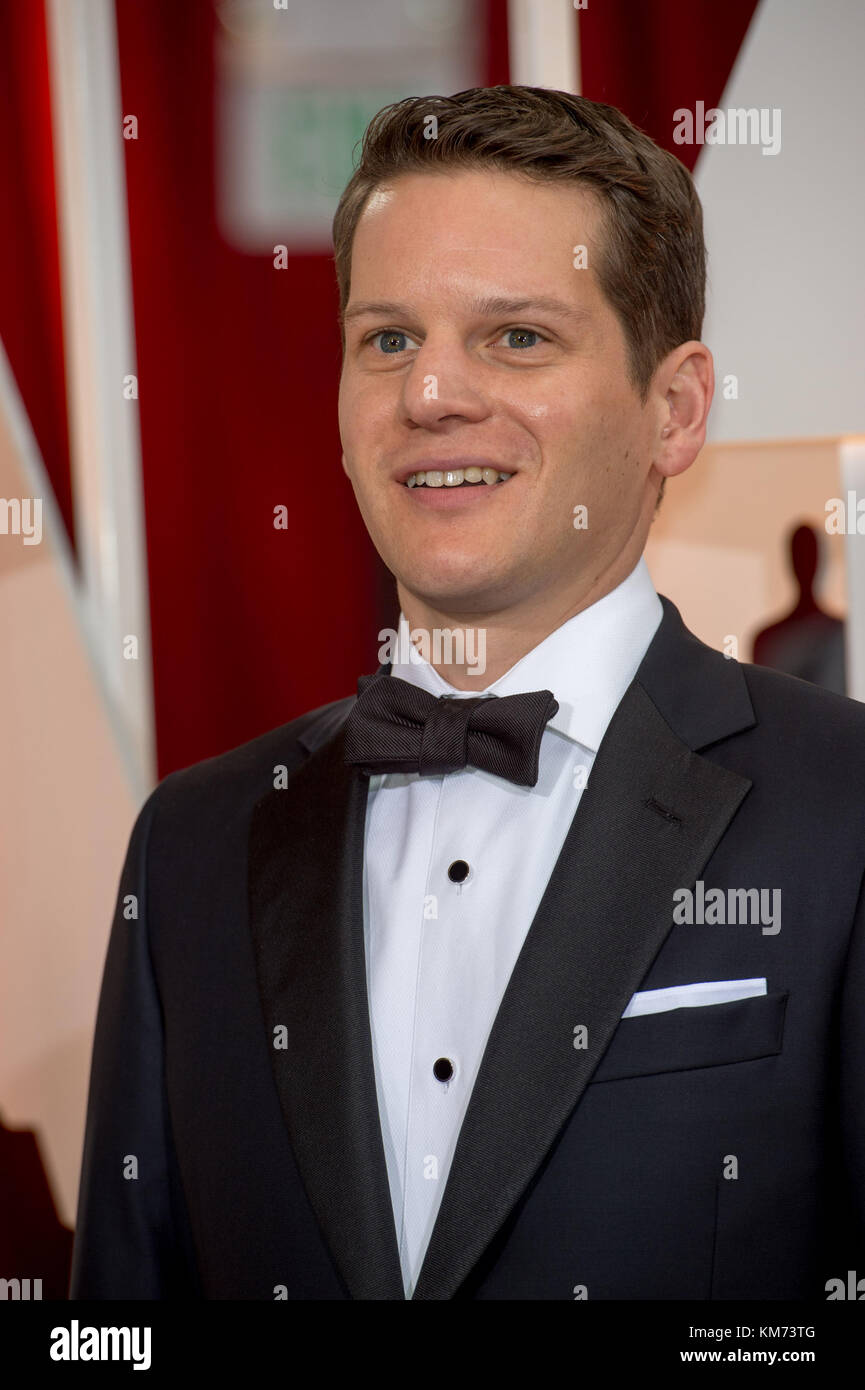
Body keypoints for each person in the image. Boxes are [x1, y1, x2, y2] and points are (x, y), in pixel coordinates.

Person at [70, 85, 865, 1301]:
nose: (431, 394)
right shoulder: (191, 844)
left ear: (676, 407)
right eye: (388, 339)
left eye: (516, 337)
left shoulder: (845, 807)